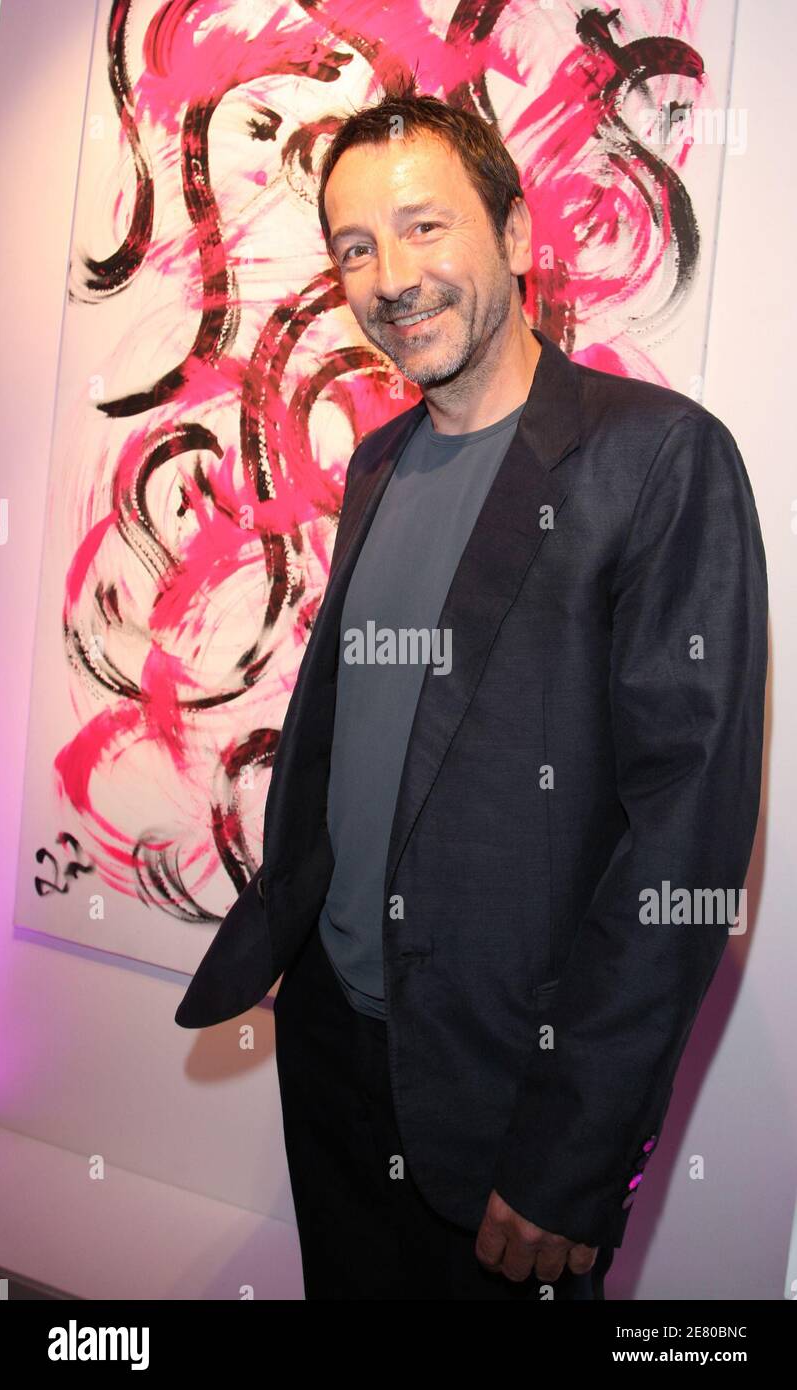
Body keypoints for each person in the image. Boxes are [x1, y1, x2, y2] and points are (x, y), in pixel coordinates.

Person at [175, 77, 768, 1301]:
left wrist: (573, 1151)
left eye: (423, 226)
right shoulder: (379, 461)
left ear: (514, 232)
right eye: (355, 247)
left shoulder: (658, 459)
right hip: (336, 1053)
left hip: (506, 1095)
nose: (390, 276)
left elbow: (686, 841)